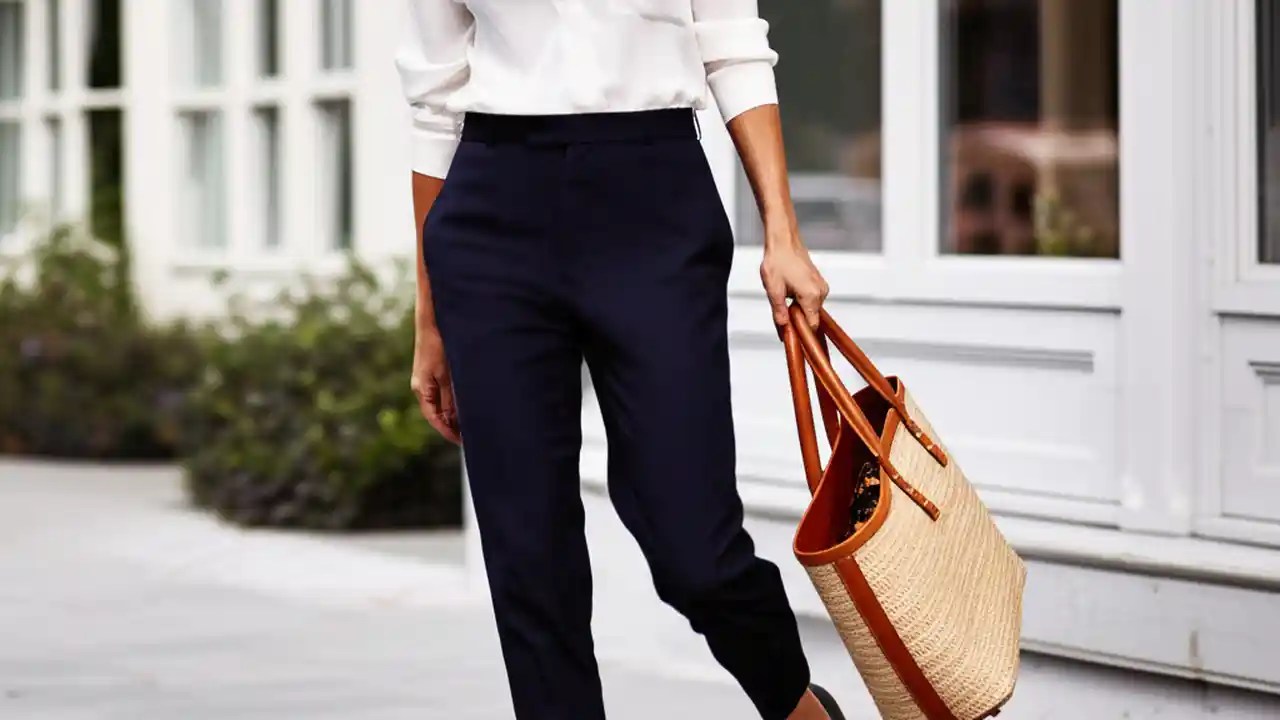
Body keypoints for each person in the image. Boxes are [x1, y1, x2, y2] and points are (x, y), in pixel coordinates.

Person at [397, 1, 838, 718]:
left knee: (696, 546)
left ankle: (797, 707)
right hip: (490, 214)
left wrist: (782, 234)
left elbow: (731, 45)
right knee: (527, 557)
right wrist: (431, 316)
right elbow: (435, 99)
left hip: (654, 202)